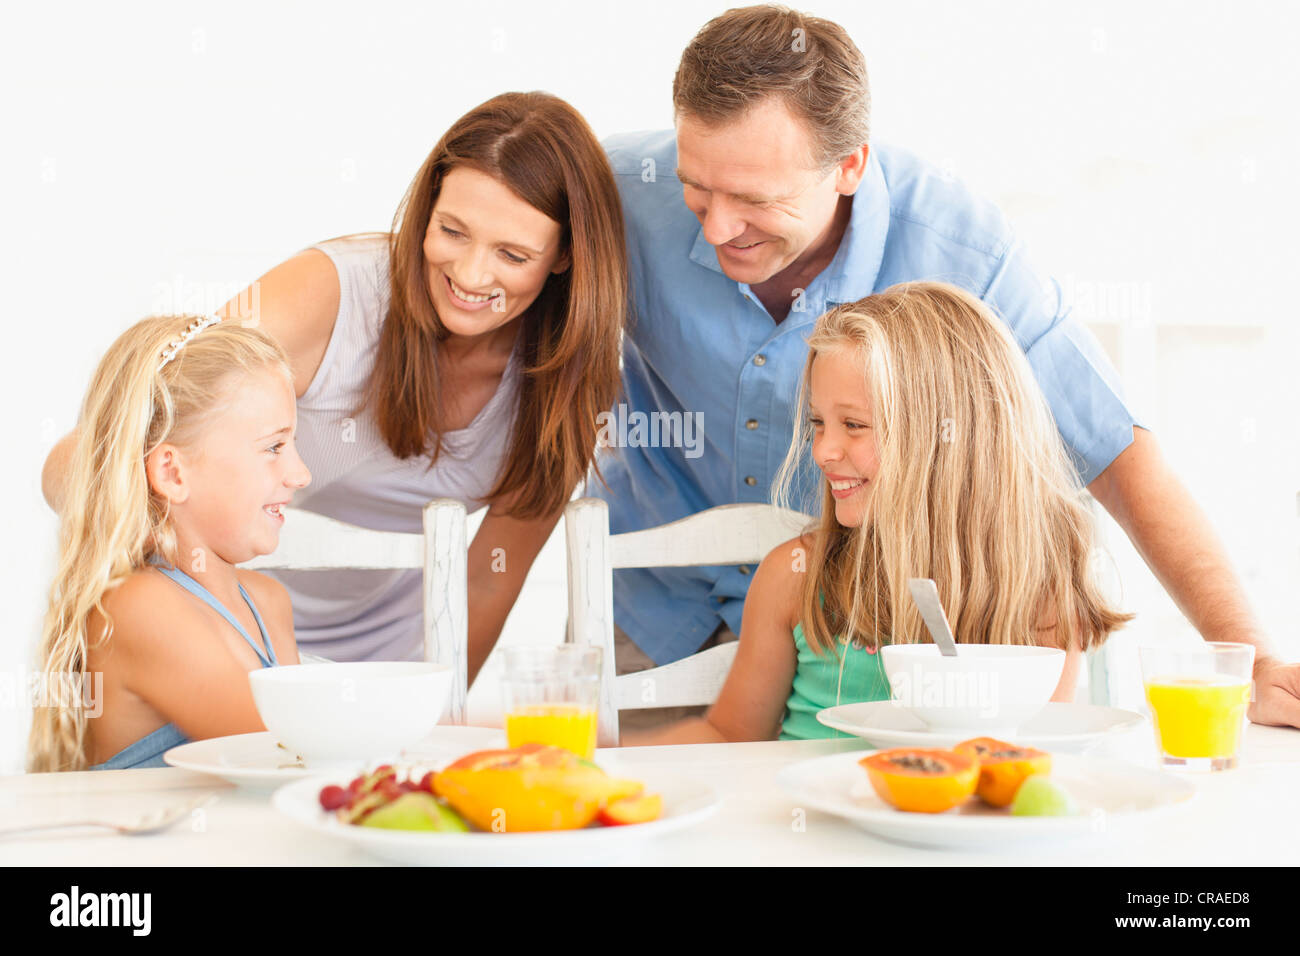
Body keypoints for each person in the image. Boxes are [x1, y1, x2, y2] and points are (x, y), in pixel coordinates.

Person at [595, 4, 1300, 729]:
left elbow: (1115, 451)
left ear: (850, 166)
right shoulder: (615, 188)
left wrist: (1252, 658)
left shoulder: (968, 254)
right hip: (655, 611)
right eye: (697, 189)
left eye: (753, 200)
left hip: (875, 636)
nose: (716, 228)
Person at [43, 92, 627, 680]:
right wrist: (194, 595)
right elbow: (83, 465)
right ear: (427, 210)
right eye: (451, 231)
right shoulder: (328, 293)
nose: (471, 275)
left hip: (393, 671)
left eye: (512, 254)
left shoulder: (567, 384)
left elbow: (487, 580)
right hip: (228, 636)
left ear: (564, 257)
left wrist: (425, 716)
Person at [626, 283, 1133, 744]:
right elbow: (729, 736)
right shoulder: (795, 576)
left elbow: (1025, 762)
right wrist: (590, 756)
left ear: (949, 438)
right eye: (818, 423)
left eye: (854, 424)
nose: (824, 450)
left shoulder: (1041, 586)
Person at [29, 315, 311, 771]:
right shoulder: (138, 609)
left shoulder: (268, 603)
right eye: (274, 447)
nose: (301, 474)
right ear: (173, 473)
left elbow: (300, 785)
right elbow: (290, 758)